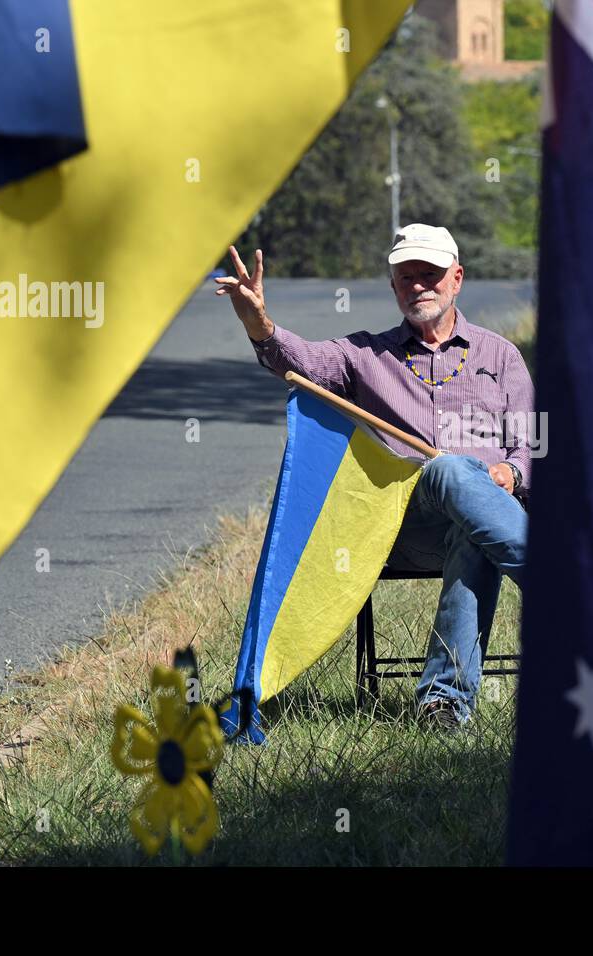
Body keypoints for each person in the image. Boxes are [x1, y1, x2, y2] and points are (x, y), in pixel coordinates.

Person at [216, 223, 533, 729]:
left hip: (484, 520)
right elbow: (297, 362)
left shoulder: (500, 356)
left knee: (473, 522)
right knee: (450, 469)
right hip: (396, 528)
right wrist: (260, 324)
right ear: (393, 286)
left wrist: (511, 475)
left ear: (457, 278)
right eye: (406, 277)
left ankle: (442, 704)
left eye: (429, 274)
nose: (418, 286)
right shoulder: (366, 354)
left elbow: (532, 446)